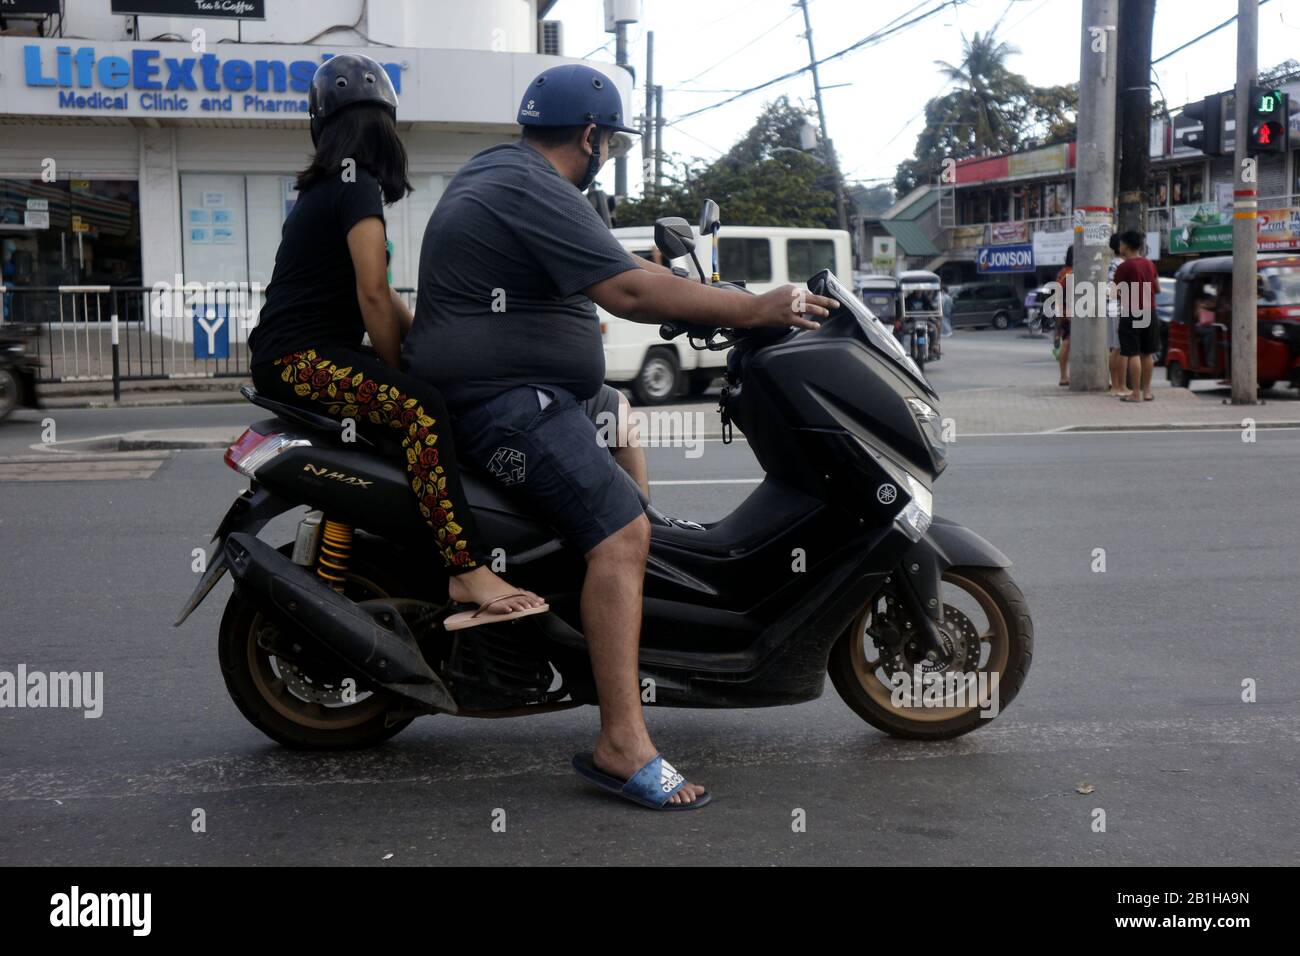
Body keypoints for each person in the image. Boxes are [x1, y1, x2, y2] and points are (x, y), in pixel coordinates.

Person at [402, 63, 838, 809]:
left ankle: (632, 569)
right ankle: (621, 741)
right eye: (613, 142)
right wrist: (756, 310)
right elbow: (629, 291)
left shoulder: (515, 176)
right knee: (622, 532)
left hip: (544, 391)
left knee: (619, 418)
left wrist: (718, 297)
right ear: (594, 136)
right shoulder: (526, 184)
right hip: (505, 404)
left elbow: (623, 265)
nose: (611, 153)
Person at [246, 54, 545, 628]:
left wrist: (424, 349)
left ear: (321, 124)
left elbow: (386, 299)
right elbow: (375, 295)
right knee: (420, 409)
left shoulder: (336, 185)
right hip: (298, 359)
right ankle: (466, 568)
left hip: (299, 354)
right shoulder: (355, 184)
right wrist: (409, 376)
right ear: (385, 124)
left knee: (424, 399)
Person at [1113, 230, 1160, 403]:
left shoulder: (1124, 267)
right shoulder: (1149, 264)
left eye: (1121, 243)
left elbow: (1116, 292)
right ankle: (1147, 392)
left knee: (1133, 353)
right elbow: (1158, 288)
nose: (1119, 247)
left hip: (1131, 311)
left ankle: (1135, 394)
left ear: (1125, 245)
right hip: (1150, 310)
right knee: (1147, 353)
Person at [1105, 233, 1127, 396]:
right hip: (1118, 308)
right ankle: (1118, 386)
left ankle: (1118, 385)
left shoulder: (1115, 263)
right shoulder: (1117, 264)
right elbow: (1114, 290)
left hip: (1115, 308)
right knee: (1119, 348)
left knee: (1116, 348)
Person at [1053, 245, 1073, 386]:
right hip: (1070, 312)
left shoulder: (1062, 272)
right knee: (1067, 342)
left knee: (1066, 341)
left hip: (1062, 311)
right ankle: (1064, 376)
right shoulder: (1073, 273)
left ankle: (1063, 375)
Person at [1195, 285, 1218, 370]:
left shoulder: (1213, 301)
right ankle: (1210, 361)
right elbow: (1196, 315)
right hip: (1200, 326)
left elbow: (1215, 305)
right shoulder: (1197, 301)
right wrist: (1202, 308)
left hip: (1212, 325)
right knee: (1210, 334)